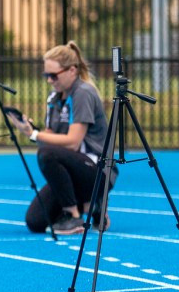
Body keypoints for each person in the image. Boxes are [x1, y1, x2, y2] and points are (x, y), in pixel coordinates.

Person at [9, 41, 112, 235]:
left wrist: (35, 135)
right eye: (46, 75)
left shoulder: (83, 93)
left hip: (96, 170)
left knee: (46, 153)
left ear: (72, 70)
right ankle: (91, 208)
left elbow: (73, 142)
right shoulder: (54, 97)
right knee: (36, 221)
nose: (49, 80)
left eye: (53, 75)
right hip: (73, 168)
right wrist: (31, 131)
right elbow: (50, 137)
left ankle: (73, 216)